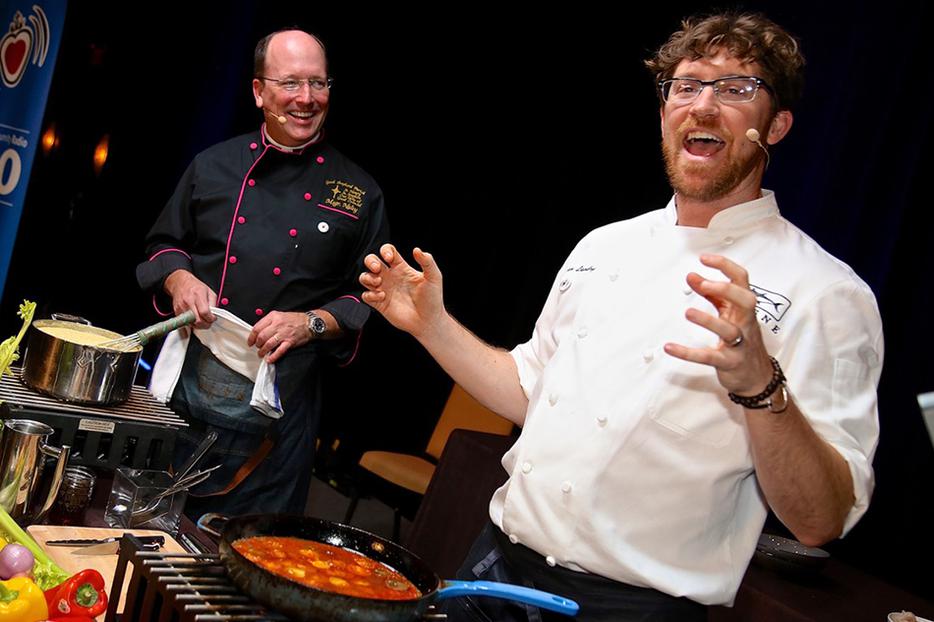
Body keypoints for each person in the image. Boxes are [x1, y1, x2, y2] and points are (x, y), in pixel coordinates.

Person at [358, 12, 881, 621]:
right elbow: (529, 390)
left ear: (778, 125)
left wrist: (760, 387)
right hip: (493, 568)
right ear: (664, 112)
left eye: (737, 88)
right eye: (686, 86)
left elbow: (820, 520)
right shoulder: (603, 244)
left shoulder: (827, 293)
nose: (703, 106)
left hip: (627, 609)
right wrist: (432, 324)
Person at [136, 28, 389, 517]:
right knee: (145, 525)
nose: (306, 99)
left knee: (246, 555)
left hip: (281, 411)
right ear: (258, 91)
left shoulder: (359, 192)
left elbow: (370, 297)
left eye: (319, 84)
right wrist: (180, 279)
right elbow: (162, 245)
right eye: (290, 83)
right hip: (184, 395)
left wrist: (311, 321)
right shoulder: (214, 165)